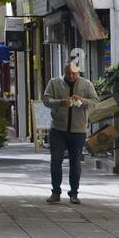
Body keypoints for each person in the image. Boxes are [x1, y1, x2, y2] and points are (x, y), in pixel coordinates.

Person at [42, 61, 99, 204]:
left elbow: (95, 102)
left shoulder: (86, 84)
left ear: (78, 72)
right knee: (56, 160)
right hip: (58, 129)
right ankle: (55, 192)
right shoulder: (54, 83)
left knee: (75, 163)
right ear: (64, 72)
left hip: (78, 130)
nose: (71, 76)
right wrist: (59, 102)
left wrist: (82, 100)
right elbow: (46, 100)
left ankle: (74, 193)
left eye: (74, 73)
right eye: (68, 73)